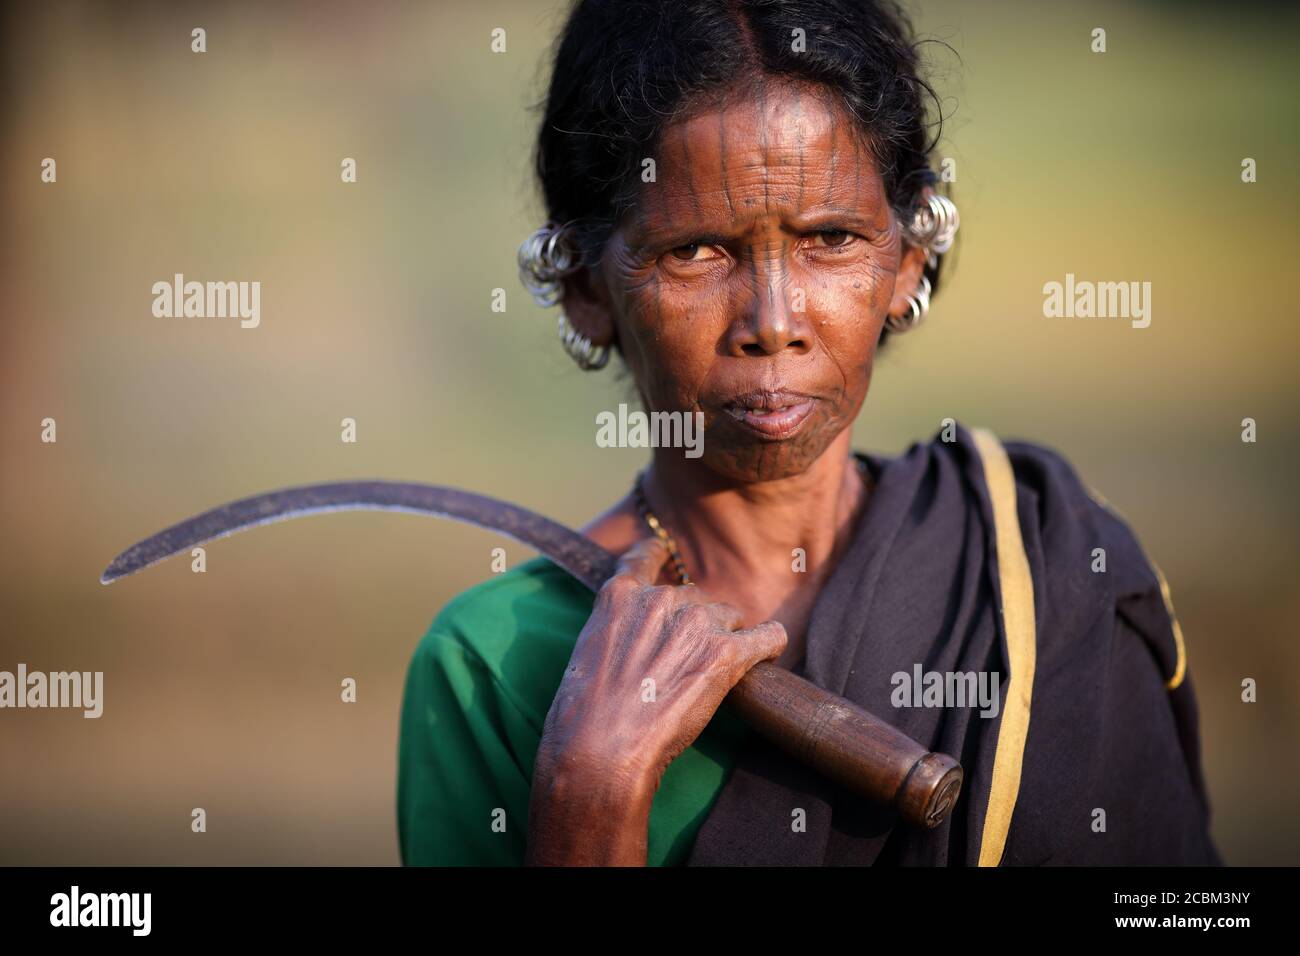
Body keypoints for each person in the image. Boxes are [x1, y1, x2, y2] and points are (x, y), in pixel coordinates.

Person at [397, 0, 1221, 866]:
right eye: (695, 251)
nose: (774, 321)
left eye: (830, 238)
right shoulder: (499, 662)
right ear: (585, 290)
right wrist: (592, 791)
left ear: (907, 261)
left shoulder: (1040, 571)